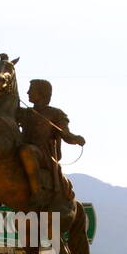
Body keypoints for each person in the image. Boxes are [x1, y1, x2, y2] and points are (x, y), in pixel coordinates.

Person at [16, 78, 84, 211]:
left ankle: (37, 193)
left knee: (26, 151)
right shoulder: (25, 113)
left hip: (44, 156)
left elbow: (66, 135)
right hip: (25, 153)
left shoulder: (56, 114)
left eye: (32, 90)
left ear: (41, 93)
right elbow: (1, 108)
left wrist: (75, 138)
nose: (28, 92)